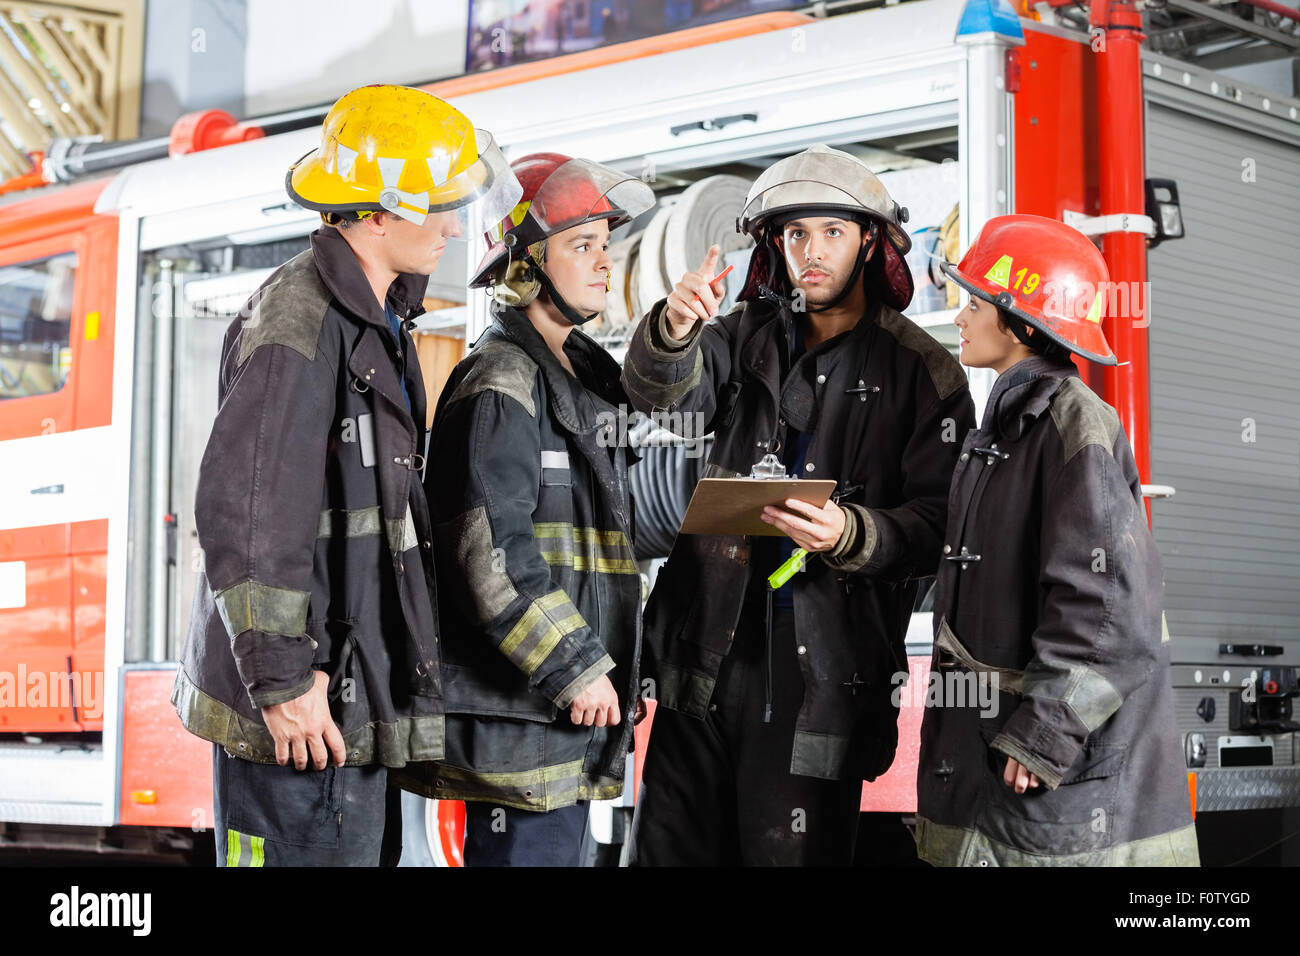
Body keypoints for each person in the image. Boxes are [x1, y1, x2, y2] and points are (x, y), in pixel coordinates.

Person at [173, 84, 520, 867]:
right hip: (301, 709)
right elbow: (250, 513)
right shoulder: (300, 317)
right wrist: (282, 680)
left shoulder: (374, 320)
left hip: (345, 697)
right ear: (376, 211)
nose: (455, 225)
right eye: (437, 204)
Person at [621, 144, 976, 866]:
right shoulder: (742, 334)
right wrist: (674, 332)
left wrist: (853, 532)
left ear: (870, 242)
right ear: (775, 245)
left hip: (820, 674)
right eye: (795, 235)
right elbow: (662, 394)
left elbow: (943, 525)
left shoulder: (922, 373)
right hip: (707, 657)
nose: (811, 252)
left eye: (833, 233)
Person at [914, 213, 1200, 866]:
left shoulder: (1072, 423)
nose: (959, 316)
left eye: (975, 301)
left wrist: (1045, 733)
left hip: (1057, 788)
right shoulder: (1004, 430)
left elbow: (1110, 607)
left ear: (1020, 321)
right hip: (988, 771)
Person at [396, 154, 654, 866]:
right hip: (526, 715)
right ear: (527, 266)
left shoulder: (578, 377)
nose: (605, 263)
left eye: (607, 244)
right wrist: (574, 663)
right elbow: (488, 552)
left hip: (556, 714)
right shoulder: (501, 377)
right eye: (582, 245)